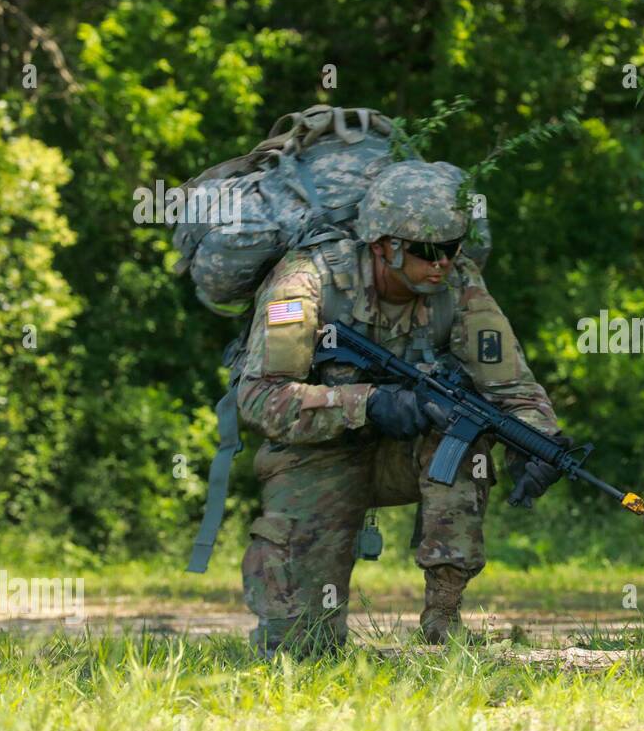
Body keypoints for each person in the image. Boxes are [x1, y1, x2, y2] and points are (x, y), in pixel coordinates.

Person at [236, 159, 564, 656]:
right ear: (384, 245)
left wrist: (537, 441)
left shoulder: (460, 286)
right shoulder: (306, 281)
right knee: (297, 650)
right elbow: (259, 398)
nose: (444, 263)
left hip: (405, 455)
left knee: (464, 432)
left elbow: (510, 387)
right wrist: (368, 403)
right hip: (314, 456)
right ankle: (300, 625)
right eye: (428, 251)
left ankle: (443, 621)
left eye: (452, 249)